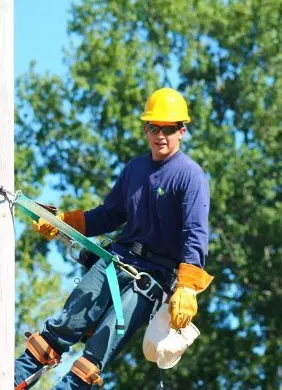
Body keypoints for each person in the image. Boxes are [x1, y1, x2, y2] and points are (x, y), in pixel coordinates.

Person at [14, 87, 213, 389]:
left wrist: (187, 286)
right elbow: (108, 215)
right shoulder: (135, 169)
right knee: (63, 326)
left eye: (168, 128)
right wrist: (65, 221)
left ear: (182, 131)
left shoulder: (190, 176)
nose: (160, 135)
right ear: (145, 129)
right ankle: (7, 380)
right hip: (115, 261)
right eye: (153, 127)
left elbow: (195, 233)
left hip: (150, 279)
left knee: (95, 355)